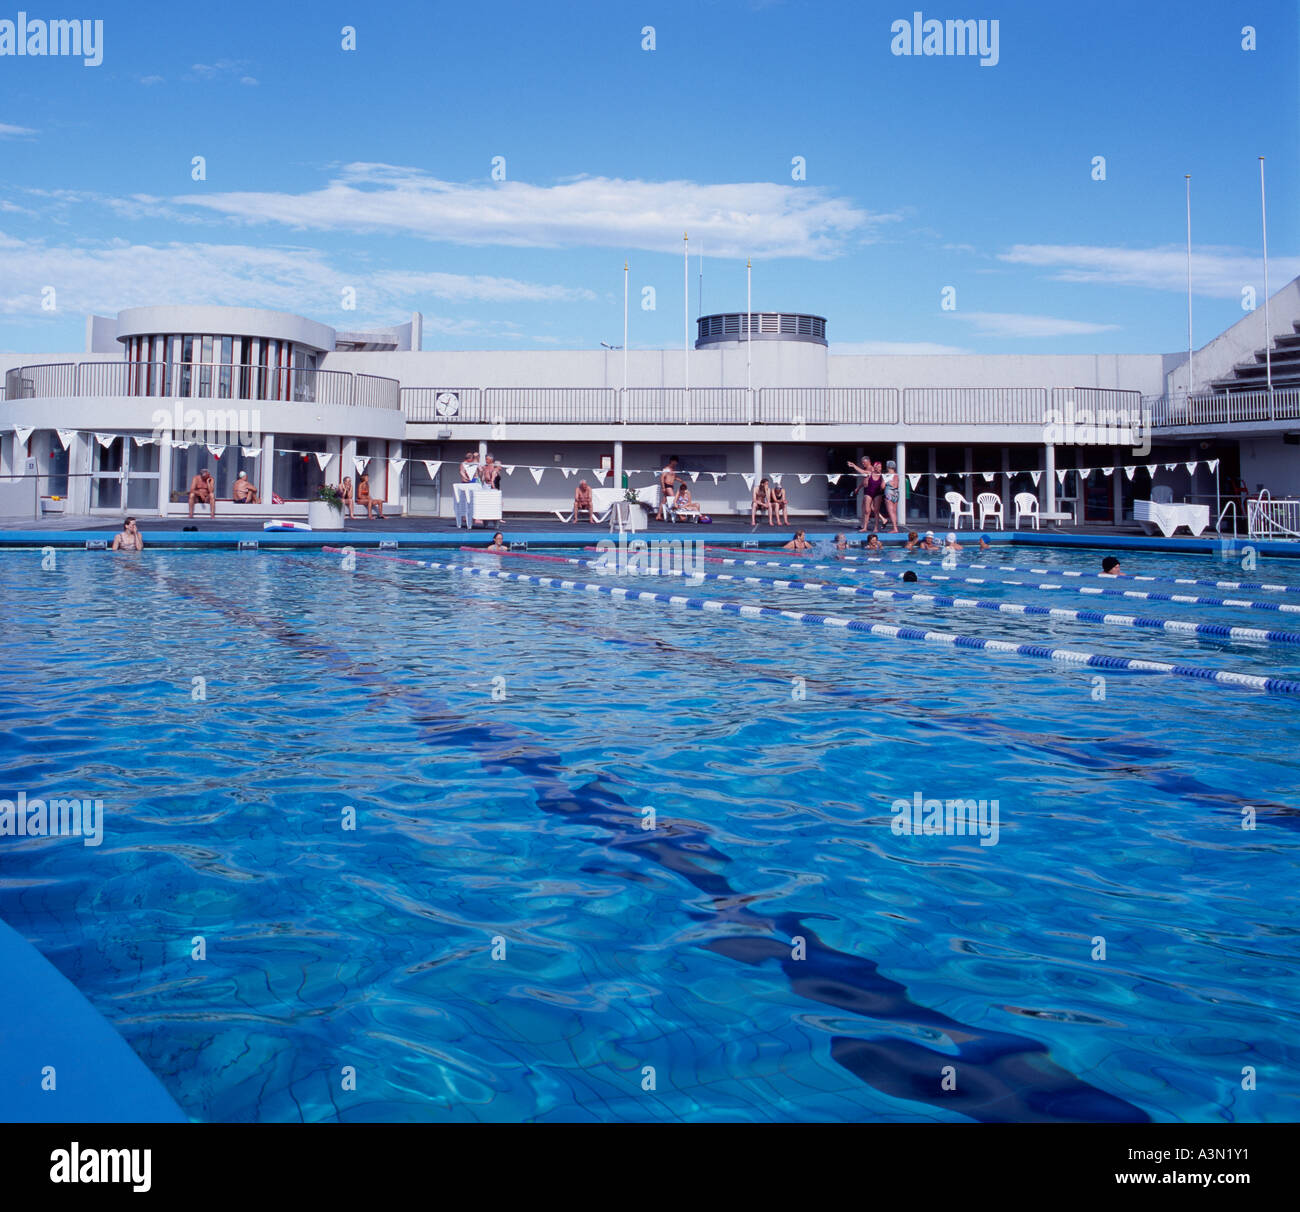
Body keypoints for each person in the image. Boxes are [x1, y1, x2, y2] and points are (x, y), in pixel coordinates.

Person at [882, 460, 901, 532]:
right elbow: (897, 485)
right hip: (896, 493)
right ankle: (895, 527)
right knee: (894, 511)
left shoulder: (887, 475)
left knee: (890, 511)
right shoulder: (897, 475)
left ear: (888, 467)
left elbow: (882, 486)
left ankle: (895, 528)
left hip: (889, 493)